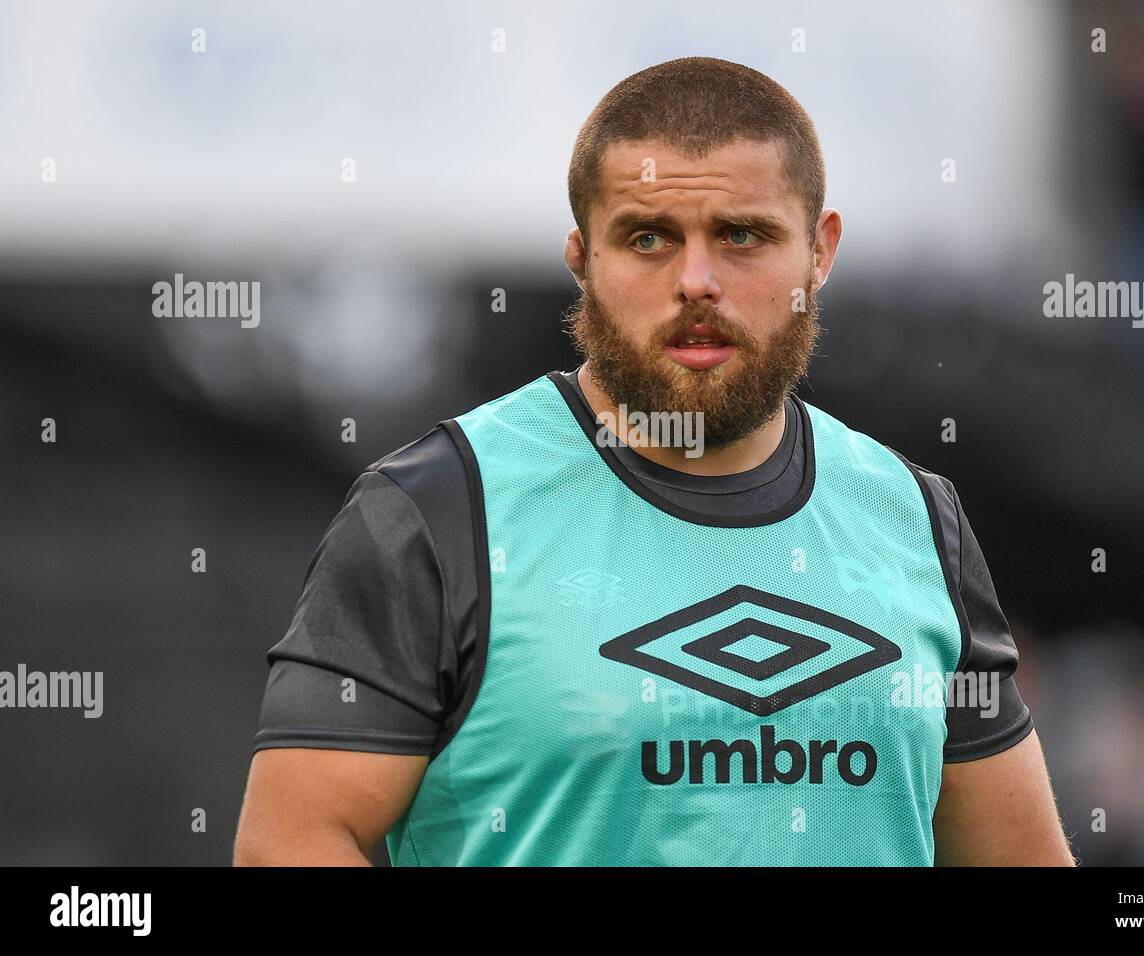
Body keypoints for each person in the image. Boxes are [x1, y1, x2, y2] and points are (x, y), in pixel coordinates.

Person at [233, 56, 1074, 866]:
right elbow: (291, 843)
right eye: (648, 239)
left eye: (742, 235)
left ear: (820, 251)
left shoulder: (914, 517)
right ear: (583, 261)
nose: (697, 281)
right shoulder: (436, 510)